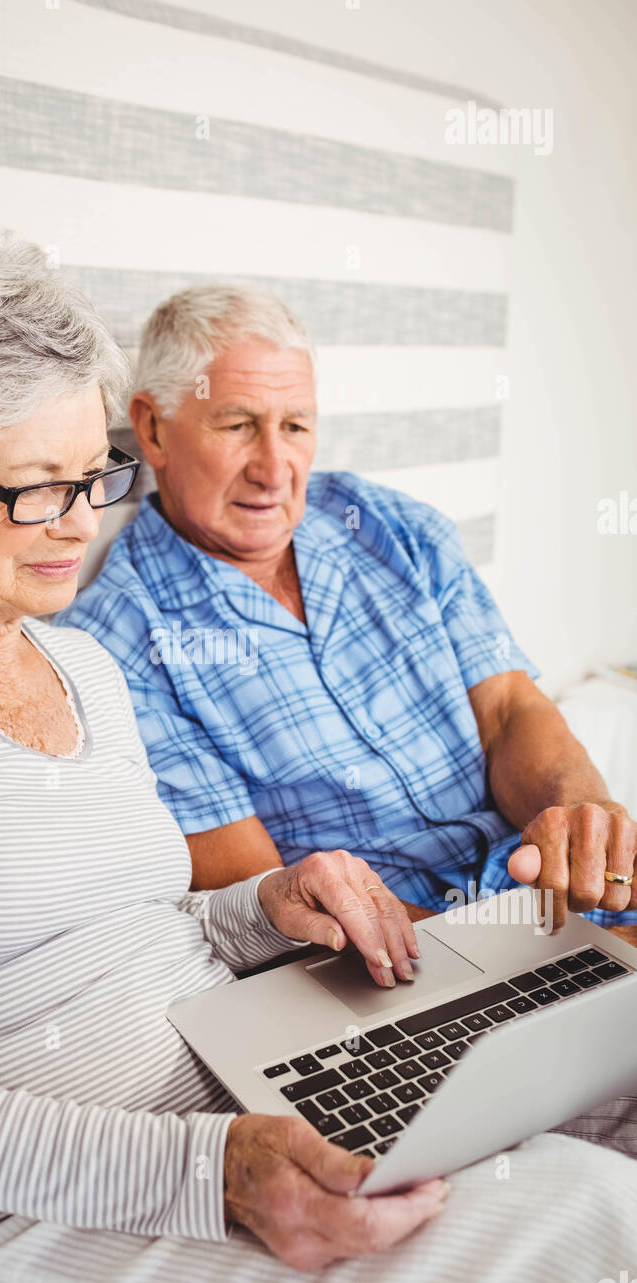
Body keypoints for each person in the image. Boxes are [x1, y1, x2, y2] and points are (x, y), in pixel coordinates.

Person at [0, 214, 634, 1283]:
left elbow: (142, 926)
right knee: (591, 1217)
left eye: (95, 477)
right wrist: (208, 1174)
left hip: (239, 1110)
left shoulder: (79, 665)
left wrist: (265, 906)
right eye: (38, 488)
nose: (80, 525)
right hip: (5, 1232)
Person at [56, 285, 637, 946]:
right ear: (153, 428)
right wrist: (547, 958)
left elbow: (509, 710)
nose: (274, 469)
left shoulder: (391, 525)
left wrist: (584, 819)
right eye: (238, 425)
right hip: (411, 954)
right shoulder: (115, 647)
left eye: (296, 427)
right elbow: (263, 891)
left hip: (561, 903)